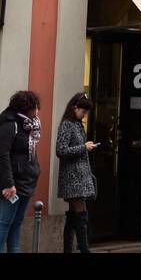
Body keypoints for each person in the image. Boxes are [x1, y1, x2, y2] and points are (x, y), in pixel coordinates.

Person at [0, 90, 42, 253]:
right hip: (11, 183)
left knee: (17, 221)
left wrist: (35, 171)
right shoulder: (10, 124)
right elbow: (3, 156)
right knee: (5, 221)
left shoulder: (29, 127)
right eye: (36, 108)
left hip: (26, 181)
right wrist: (9, 184)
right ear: (27, 108)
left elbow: (31, 153)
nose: (37, 111)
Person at [55, 92, 97, 254]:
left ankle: (68, 250)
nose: (85, 114)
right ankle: (84, 250)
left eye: (87, 111)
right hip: (72, 179)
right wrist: (83, 147)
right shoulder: (67, 124)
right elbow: (61, 150)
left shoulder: (78, 124)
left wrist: (86, 146)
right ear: (74, 108)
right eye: (83, 110)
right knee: (81, 215)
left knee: (73, 217)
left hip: (79, 176)